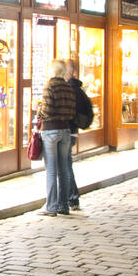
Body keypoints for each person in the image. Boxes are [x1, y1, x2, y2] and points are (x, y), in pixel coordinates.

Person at [36, 59, 77, 216]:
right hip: (65, 130)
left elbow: (46, 111)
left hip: (51, 131)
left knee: (51, 170)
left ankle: (51, 206)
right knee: (64, 169)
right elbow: (72, 112)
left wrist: (38, 110)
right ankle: (64, 205)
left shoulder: (50, 86)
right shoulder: (68, 87)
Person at [65, 60, 92, 211]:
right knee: (66, 164)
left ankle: (72, 198)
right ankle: (70, 198)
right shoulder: (78, 89)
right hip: (72, 132)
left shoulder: (71, 90)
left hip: (68, 131)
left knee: (65, 165)